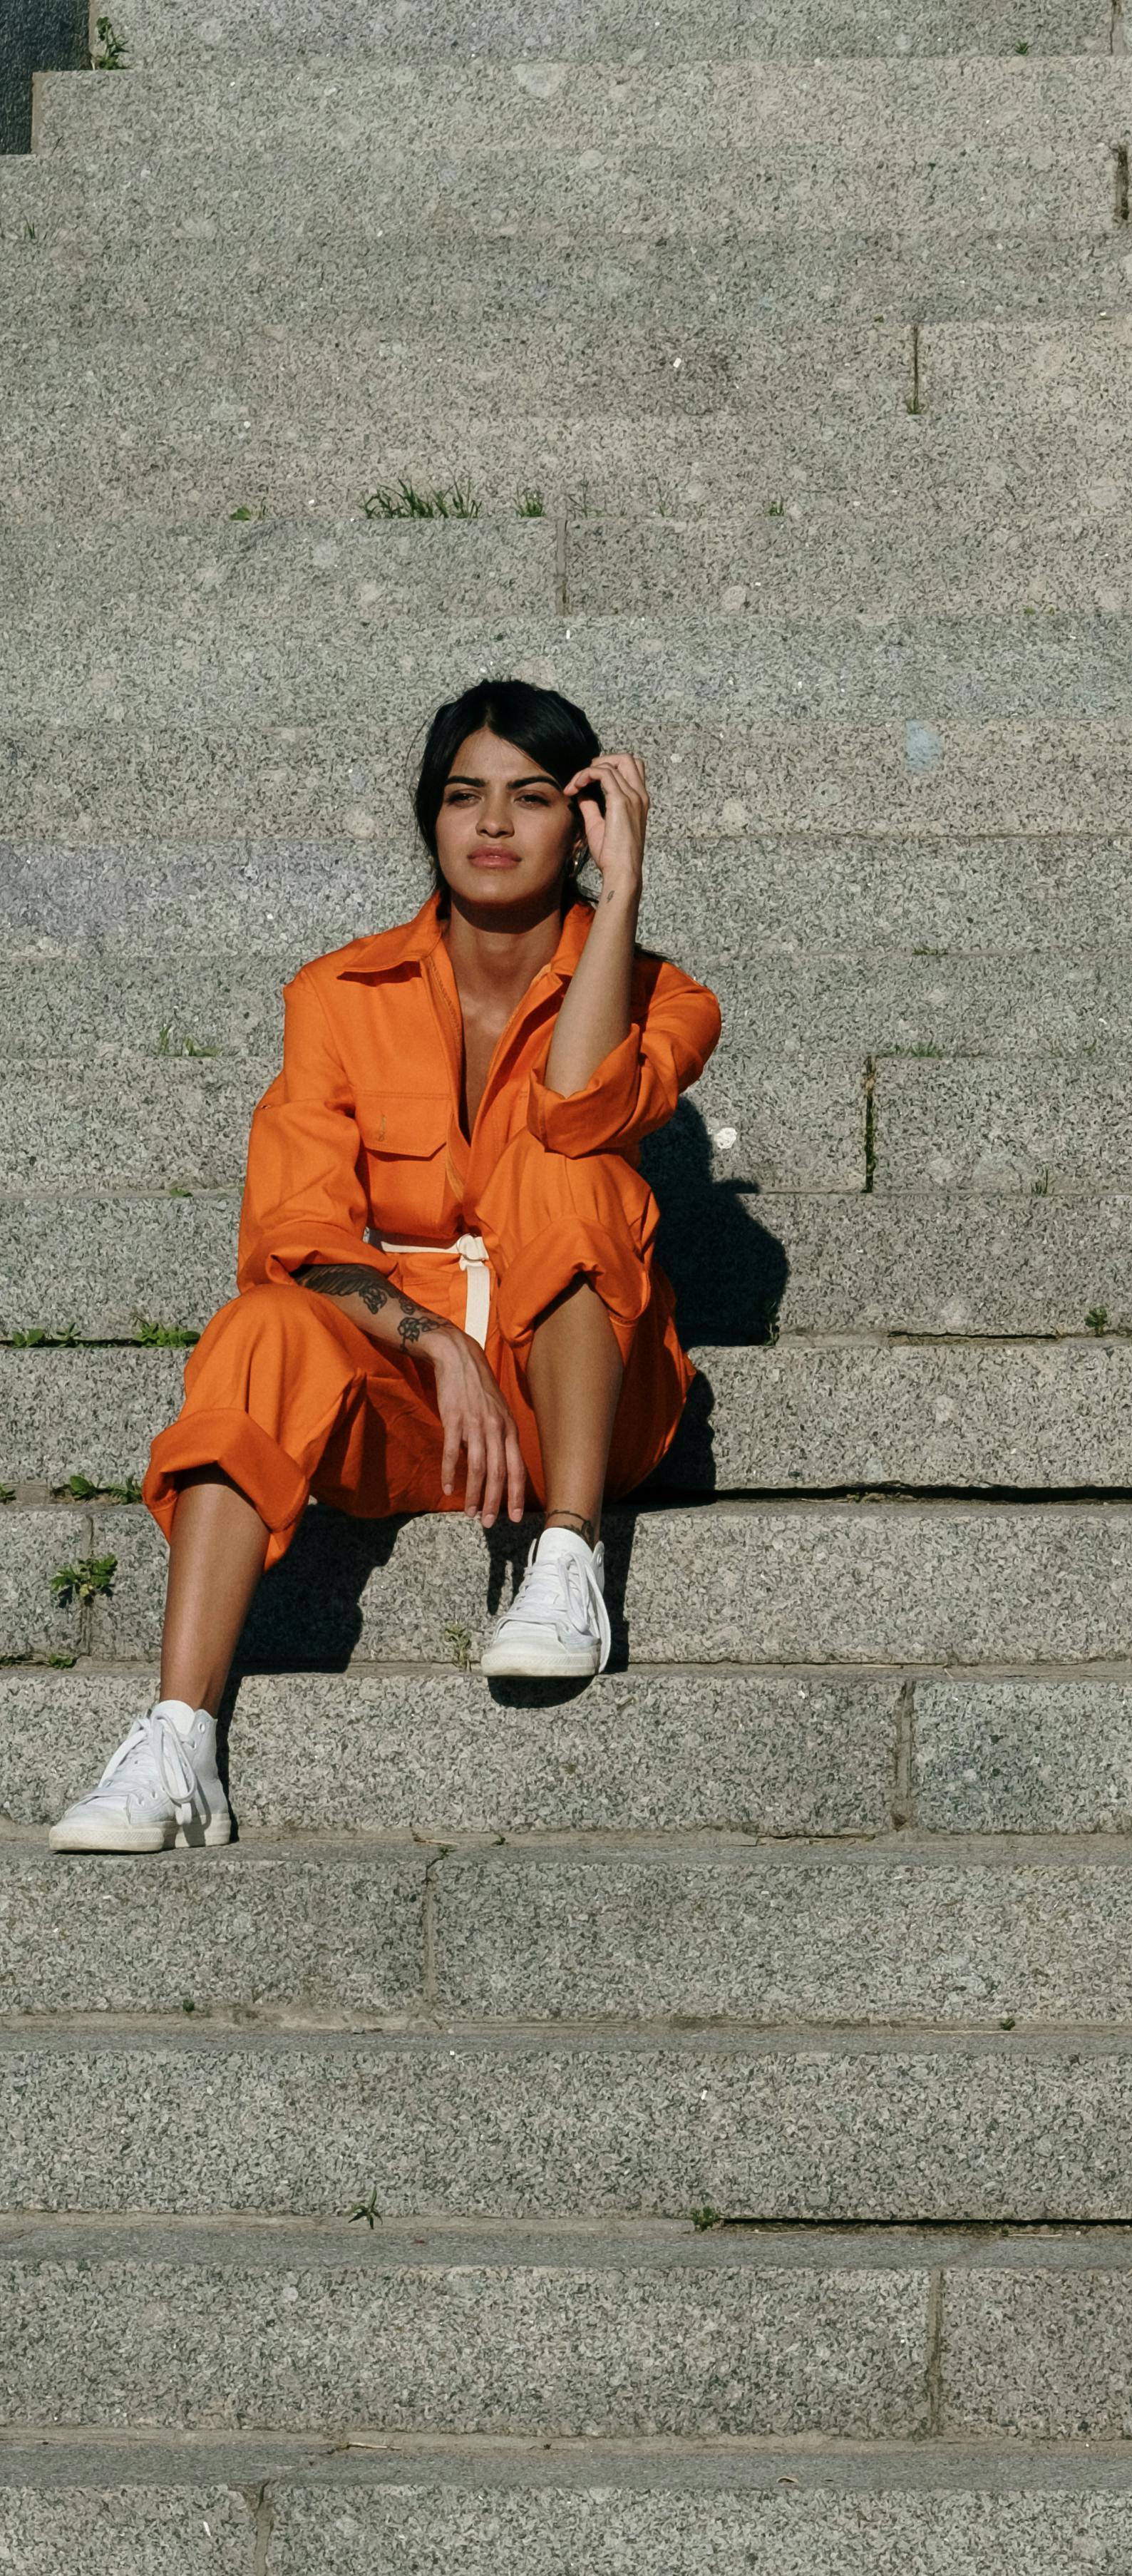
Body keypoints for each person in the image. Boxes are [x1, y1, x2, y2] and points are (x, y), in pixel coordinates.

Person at [46, 679, 721, 1852]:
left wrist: (620, 902)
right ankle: (176, 1741)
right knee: (259, 1326)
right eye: (464, 796)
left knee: (567, 1171)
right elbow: (294, 1235)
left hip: (581, 1403)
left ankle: (567, 1558)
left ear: (583, 827)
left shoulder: (669, 998)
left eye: (531, 798)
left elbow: (576, 1108)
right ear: (429, 816)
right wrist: (433, 1340)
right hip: (414, 1408)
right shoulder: (337, 996)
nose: (493, 824)